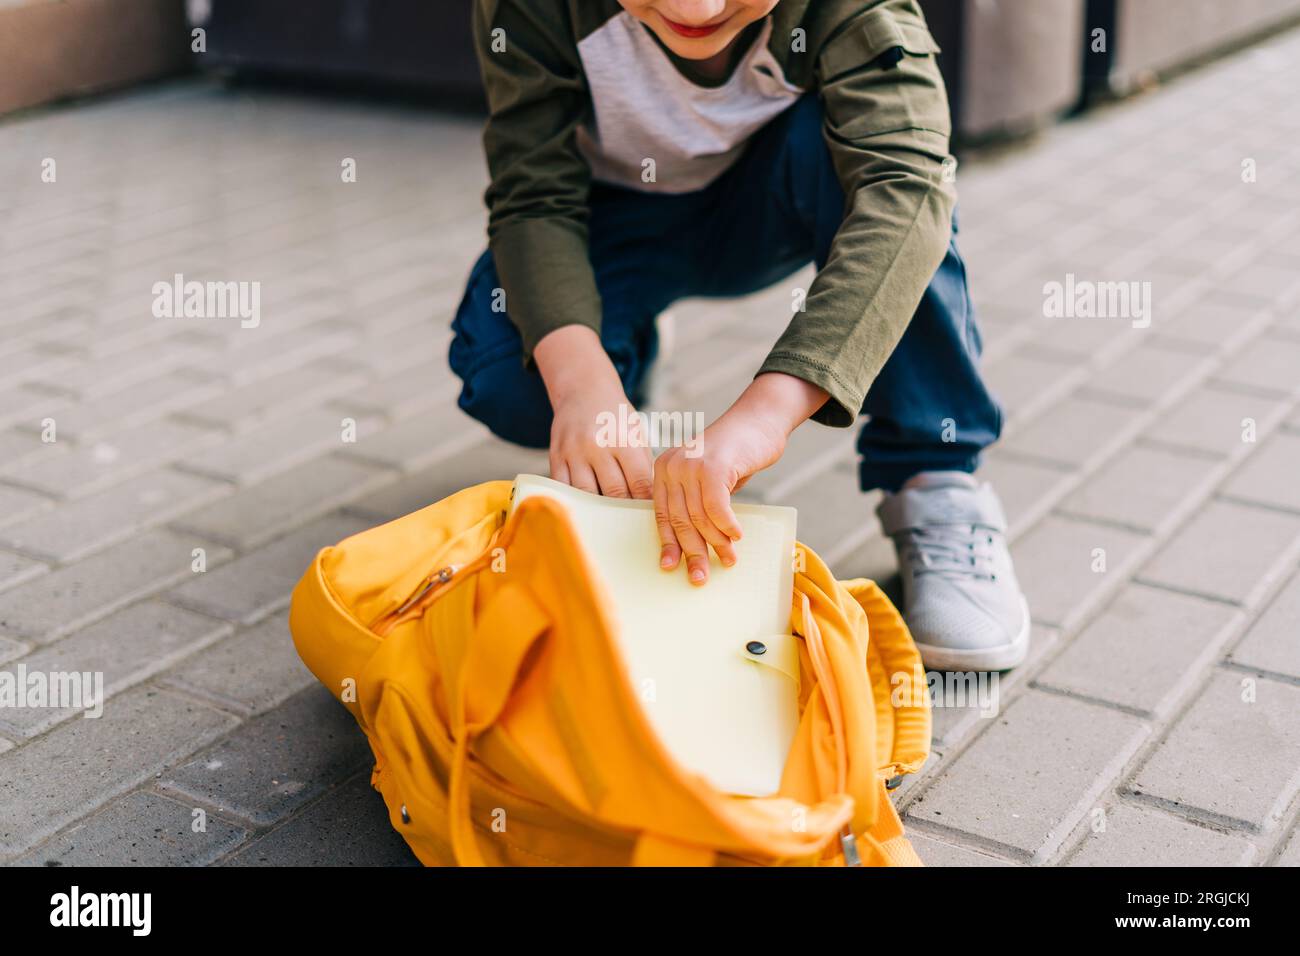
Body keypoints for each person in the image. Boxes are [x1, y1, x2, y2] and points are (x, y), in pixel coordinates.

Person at [449, 0, 1029, 671]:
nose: (697, 8)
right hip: (615, 221)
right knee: (510, 374)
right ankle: (622, 358)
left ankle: (938, 483)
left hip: (772, 201)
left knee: (899, 198)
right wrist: (585, 388)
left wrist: (763, 418)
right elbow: (534, 197)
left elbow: (905, 193)